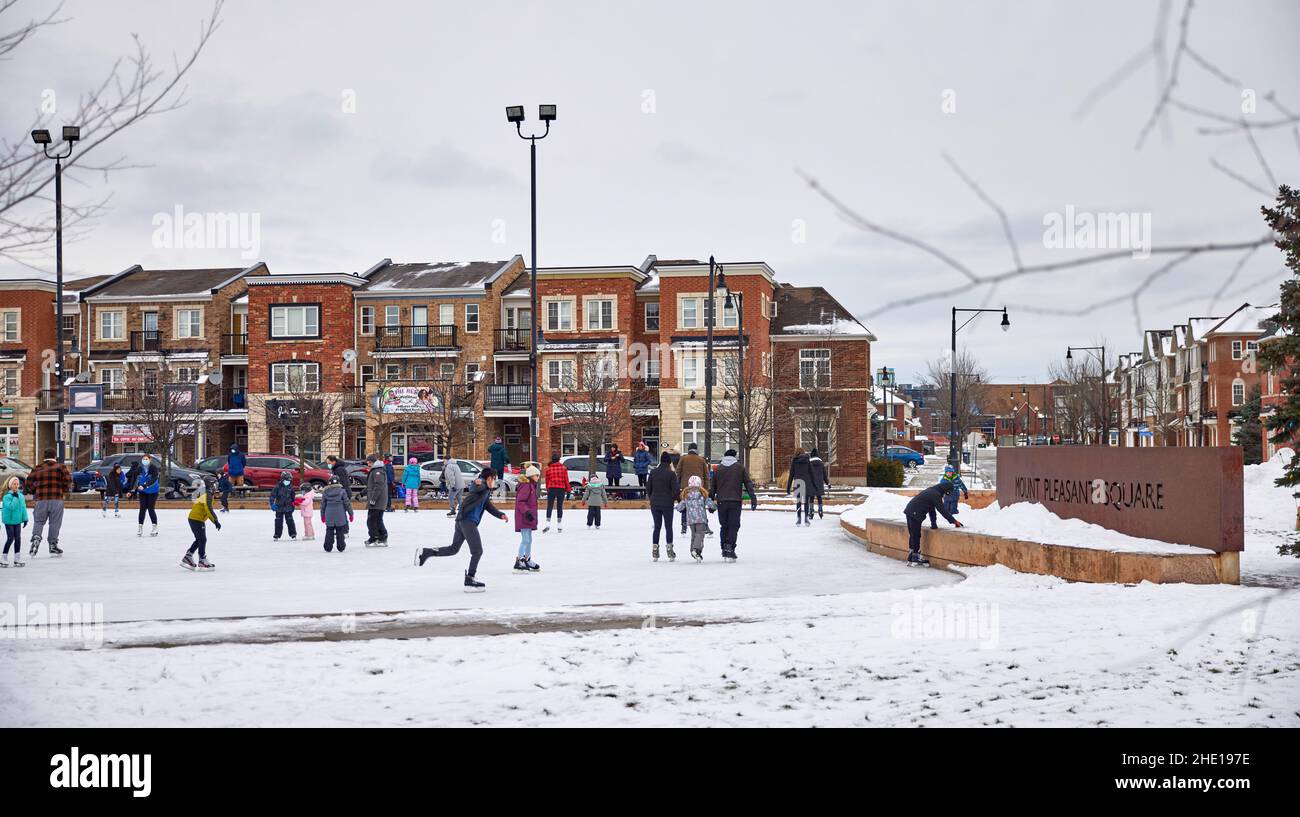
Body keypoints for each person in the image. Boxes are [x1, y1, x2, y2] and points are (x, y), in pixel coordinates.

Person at [416, 467, 509, 592]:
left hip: (462, 521)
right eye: (494, 478)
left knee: (453, 549)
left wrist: (500, 514)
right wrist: (478, 482)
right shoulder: (480, 485)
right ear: (489, 478)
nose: (495, 481)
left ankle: (427, 552)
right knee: (477, 551)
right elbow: (474, 487)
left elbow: (488, 506)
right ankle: (470, 578)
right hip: (467, 521)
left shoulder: (485, 491)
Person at [710, 449, 757, 562]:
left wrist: (711, 502)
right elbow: (748, 483)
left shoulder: (718, 469)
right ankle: (730, 547)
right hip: (735, 501)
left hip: (722, 501)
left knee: (724, 525)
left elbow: (713, 487)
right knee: (734, 526)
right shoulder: (740, 468)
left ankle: (724, 548)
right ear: (734, 456)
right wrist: (753, 498)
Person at [903, 481, 962, 567]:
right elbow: (942, 510)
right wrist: (954, 521)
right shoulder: (936, 494)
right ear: (945, 490)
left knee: (913, 534)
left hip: (910, 510)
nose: (946, 495)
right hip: (915, 512)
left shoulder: (932, 491)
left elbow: (931, 509)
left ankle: (912, 555)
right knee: (915, 535)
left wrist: (933, 524)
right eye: (947, 493)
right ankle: (915, 556)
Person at [26, 449, 70, 557]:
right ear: (55, 456)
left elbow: (28, 483)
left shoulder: (38, 468)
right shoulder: (61, 467)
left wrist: (34, 490)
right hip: (56, 499)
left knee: (39, 521)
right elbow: (68, 481)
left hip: (41, 499)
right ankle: (53, 545)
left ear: (44, 456)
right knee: (54, 523)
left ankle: (36, 538)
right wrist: (63, 490)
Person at [646, 450, 679, 561]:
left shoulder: (653, 472)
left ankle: (655, 550)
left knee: (657, 527)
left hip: (655, 503)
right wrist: (675, 499)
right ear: (669, 462)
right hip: (667, 503)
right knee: (668, 527)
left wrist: (652, 498)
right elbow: (675, 490)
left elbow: (648, 488)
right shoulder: (671, 474)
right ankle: (669, 550)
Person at [181, 479, 221, 571]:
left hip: (195, 518)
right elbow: (208, 509)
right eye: (214, 485)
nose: (216, 487)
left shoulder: (205, 492)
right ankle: (202, 559)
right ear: (211, 486)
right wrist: (215, 520)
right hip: (196, 519)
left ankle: (188, 556)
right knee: (202, 539)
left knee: (199, 539)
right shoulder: (207, 494)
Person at [676, 475, 716, 563]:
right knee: (700, 534)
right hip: (701, 518)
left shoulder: (686, 494)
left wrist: (679, 508)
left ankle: (694, 552)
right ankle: (695, 549)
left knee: (694, 535)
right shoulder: (702, 494)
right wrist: (714, 506)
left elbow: (680, 507)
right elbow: (710, 503)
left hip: (690, 520)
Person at [675, 443, 710, 535]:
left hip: (685, 486)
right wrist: (706, 488)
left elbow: (678, 472)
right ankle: (705, 526)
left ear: (689, 449)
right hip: (699, 487)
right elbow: (706, 476)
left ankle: (684, 526)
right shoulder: (701, 460)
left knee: (685, 506)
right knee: (701, 507)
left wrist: (677, 485)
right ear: (696, 449)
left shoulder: (683, 459)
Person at [513, 463, 540, 572]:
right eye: (537, 475)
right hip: (524, 516)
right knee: (526, 539)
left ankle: (527, 559)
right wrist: (527, 512)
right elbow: (520, 502)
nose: (538, 477)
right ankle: (519, 560)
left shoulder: (531, 485)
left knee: (529, 540)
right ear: (531, 475)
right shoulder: (526, 485)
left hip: (528, 517)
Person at [319, 475, 354, 553]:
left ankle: (328, 546)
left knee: (329, 530)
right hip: (340, 514)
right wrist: (351, 514)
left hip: (329, 513)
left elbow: (323, 505)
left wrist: (322, 516)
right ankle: (341, 546)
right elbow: (347, 503)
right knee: (340, 530)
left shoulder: (325, 492)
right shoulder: (342, 491)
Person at [2, 475, 28, 568]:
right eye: (14, 484)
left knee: (18, 539)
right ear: (10, 485)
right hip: (9, 521)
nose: (16, 485)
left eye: (17, 484)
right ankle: (4, 558)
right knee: (10, 539)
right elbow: (11, 507)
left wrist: (25, 519)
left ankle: (17, 558)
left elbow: (23, 508)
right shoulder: (7, 497)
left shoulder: (20, 496)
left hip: (17, 521)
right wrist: (15, 498)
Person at [132, 454, 161, 538]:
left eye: (146, 459)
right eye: (143, 459)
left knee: (151, 508)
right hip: (143, 491)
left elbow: (154, 479)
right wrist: (132, 490)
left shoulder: (153, 468)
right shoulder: (140, 469)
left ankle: (154, 527)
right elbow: (135, 479)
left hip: (153, 491)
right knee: (142, 508)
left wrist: (145, 485)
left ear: (150, 460)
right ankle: (140, 527)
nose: (145, 460)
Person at [364, 453, 389, 546]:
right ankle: (381, 537)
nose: (368, 464)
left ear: (373, 462)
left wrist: (373, 499)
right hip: (377, 500)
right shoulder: (375, 470)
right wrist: (362, 493)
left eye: (369, 462)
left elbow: (378, 486)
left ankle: (375, 537)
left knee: (372, 520)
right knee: (377, 520)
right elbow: (371, 486)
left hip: (378, 501)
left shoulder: (377, 471)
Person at [786, 448, 813, 526]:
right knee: (806, 501)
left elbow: (791, 475)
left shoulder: (794, 461)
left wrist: (788, 487)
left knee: (799, 501)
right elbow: (811, 473)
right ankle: (806, 518)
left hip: (798, 482)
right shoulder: (807, 460)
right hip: (806, 482)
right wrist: (814, 484)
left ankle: (799, 518)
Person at [542, 453, 568, 533]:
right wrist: (568, 489)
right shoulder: (563, 468)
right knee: (559, 507)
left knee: (549, 506)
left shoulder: (548, 469)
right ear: (559, 460)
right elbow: (566, 480)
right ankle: (559, 525)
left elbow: (547, 480)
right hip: (561, 489)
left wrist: (547, 488)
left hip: (551, 488)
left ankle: (547, 524)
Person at [270, 470, 298, 541]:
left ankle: (293, 534)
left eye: (289, 480)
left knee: (290, 521)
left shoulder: (290, 487)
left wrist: (293, 504)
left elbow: (293, 497)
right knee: (278, 521)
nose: (288, 482)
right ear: (282, 479)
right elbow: (272, 496)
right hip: (279, 508)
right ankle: (277, 534)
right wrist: (272, 504)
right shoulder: (277, 487)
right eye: (287, 480)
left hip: (288, 508)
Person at [808, 448, 830, 521]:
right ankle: (820, 510)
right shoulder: (821, 463)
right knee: (819, 497)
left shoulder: (809, 463)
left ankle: (811, 510)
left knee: (811, 497)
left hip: (811, 482)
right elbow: (824, 475)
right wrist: (828, 483)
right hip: (819, 483)